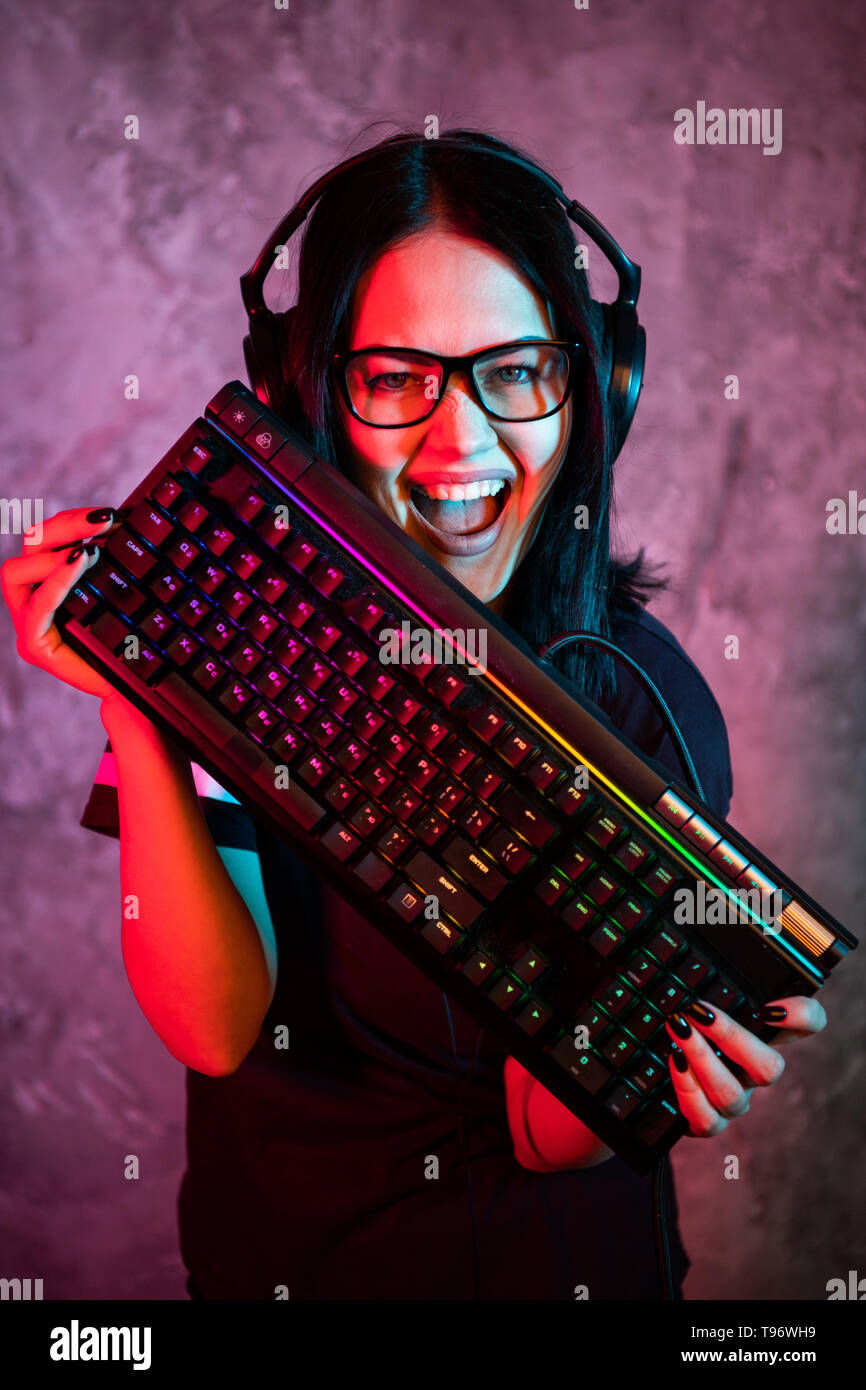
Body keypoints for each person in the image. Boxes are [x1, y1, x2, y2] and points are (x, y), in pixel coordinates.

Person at [2, 128, 827, 1301]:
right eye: (394, 377)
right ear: (310, 392)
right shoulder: (233, 630)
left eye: (516, 369)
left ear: (593, 389)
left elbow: (547, 1139)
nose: (461, 445)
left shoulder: (646, 703)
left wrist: (656, 1053)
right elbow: (216, 1025)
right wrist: (138, 694)